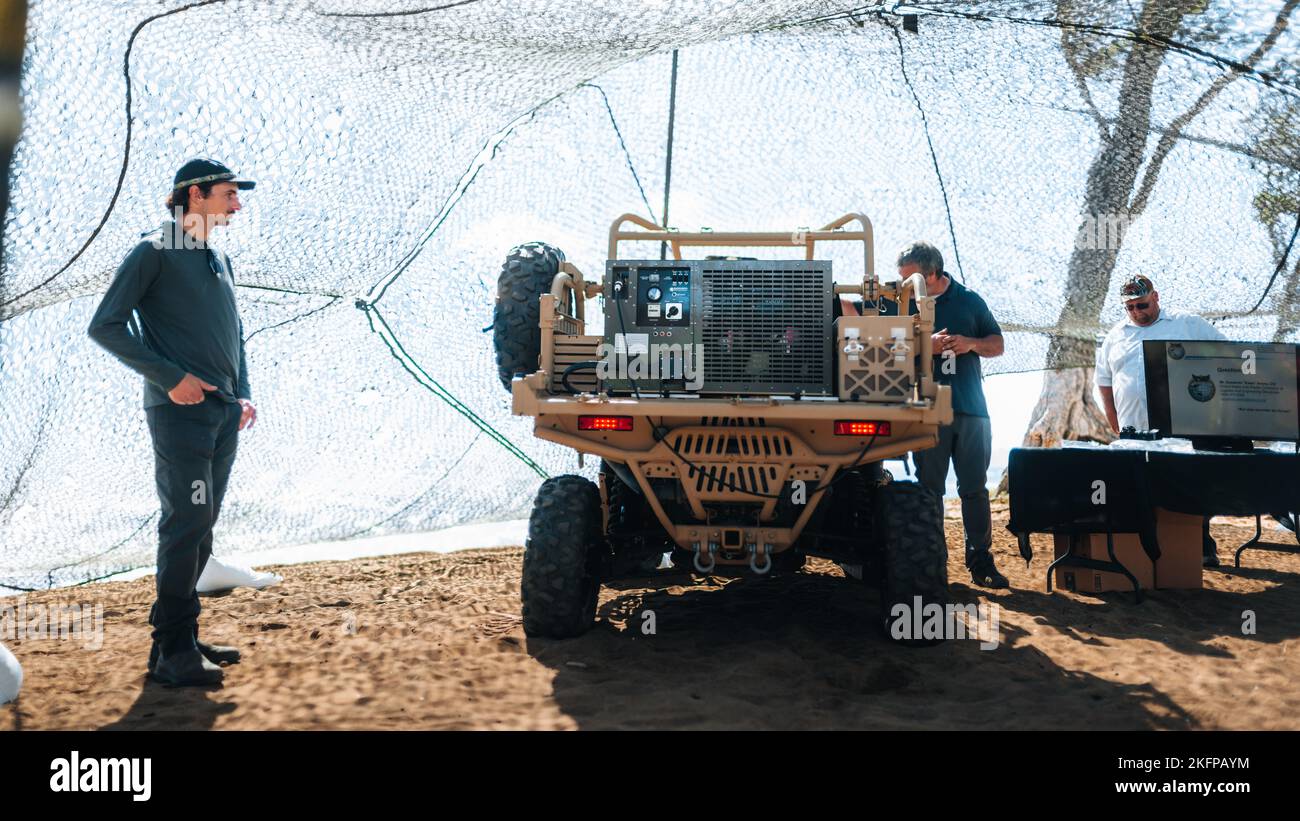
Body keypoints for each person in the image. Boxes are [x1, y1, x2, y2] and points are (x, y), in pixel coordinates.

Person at [88, 158, 258, 686]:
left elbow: (234, 332)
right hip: (179, 413)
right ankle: (173, 651)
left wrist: (243, 394)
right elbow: (106, 326)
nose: (238, 204)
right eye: (229, 194)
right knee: (185, 523)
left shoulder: (217, 258)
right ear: (196, 195)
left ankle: (178, 639)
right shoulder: (153, 251)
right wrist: (169, 377)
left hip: (224, 412)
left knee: (201, 525)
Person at [897, 242, 1009, 589]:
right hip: (928, 411)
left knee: (974, 489)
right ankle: (933, 563)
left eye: (909, 278)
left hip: (972, 411)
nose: (902, 285)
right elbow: (882, 348)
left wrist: (970, 343)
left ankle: (980, 561)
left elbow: (998, 344)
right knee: (928, 491)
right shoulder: (899, 302)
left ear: (932, 275)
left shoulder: (969, 301)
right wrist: (922, 346)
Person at [1095, 274, 1226, 567]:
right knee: (1140, 488)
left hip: (1183, 425)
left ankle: (1200, 546)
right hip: (1134, 427)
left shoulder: (1187, 323)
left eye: (1141, 305)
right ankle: (1146, 553)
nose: (1136, 313)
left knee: (1187, 485)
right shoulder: (1115, 335)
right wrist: (1114, 420)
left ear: (1156, 297)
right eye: (1129, 308)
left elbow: (1225, 355)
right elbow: (1104, 381)